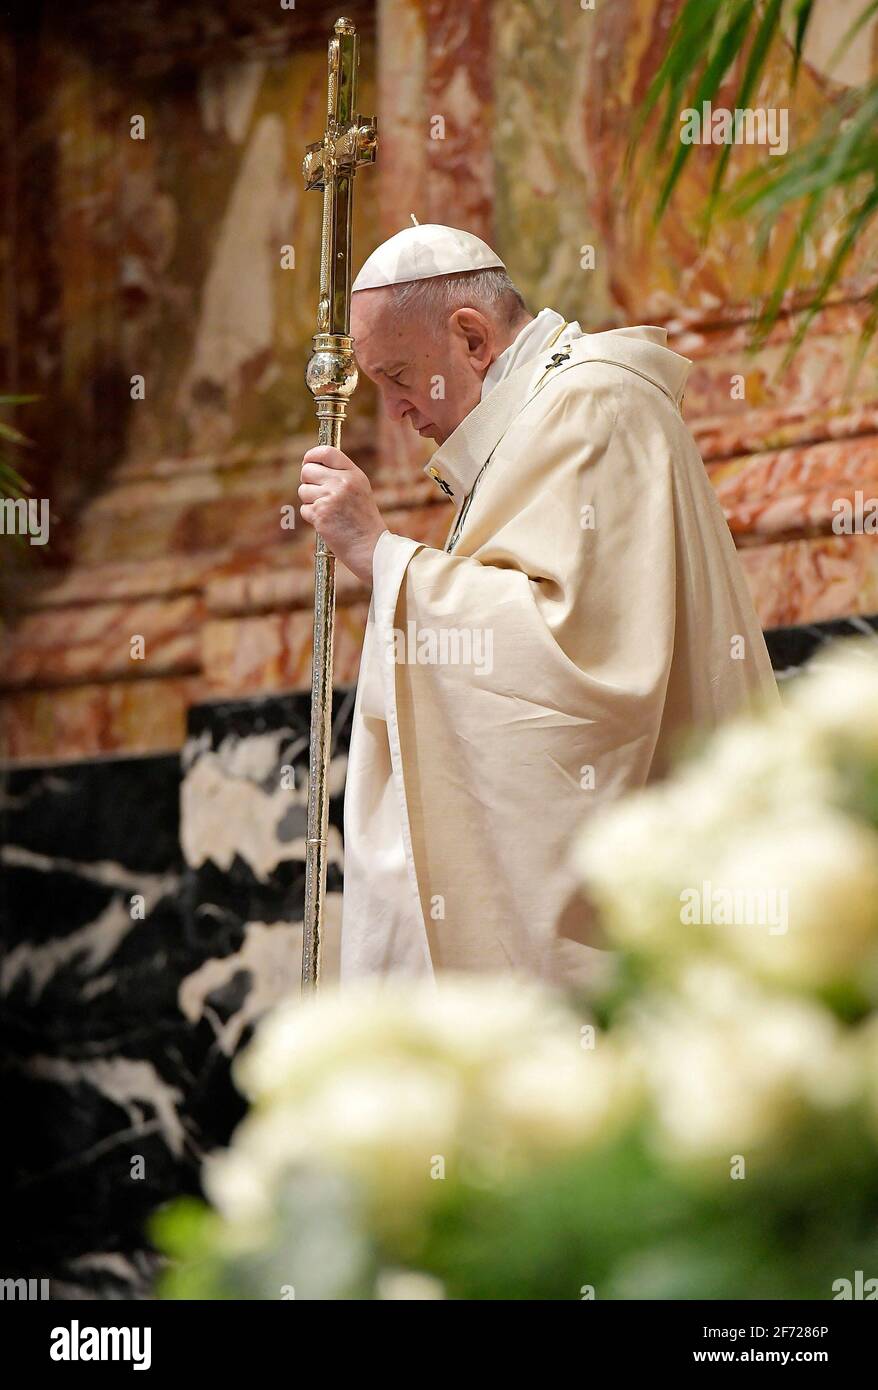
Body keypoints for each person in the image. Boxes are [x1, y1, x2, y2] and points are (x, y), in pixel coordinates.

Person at [297, 223, 778, 985]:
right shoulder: (544, 418)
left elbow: (578, 656)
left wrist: (383, 557)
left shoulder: (592, 405)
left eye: (396, 376)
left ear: (471, 337)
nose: (394, 411)